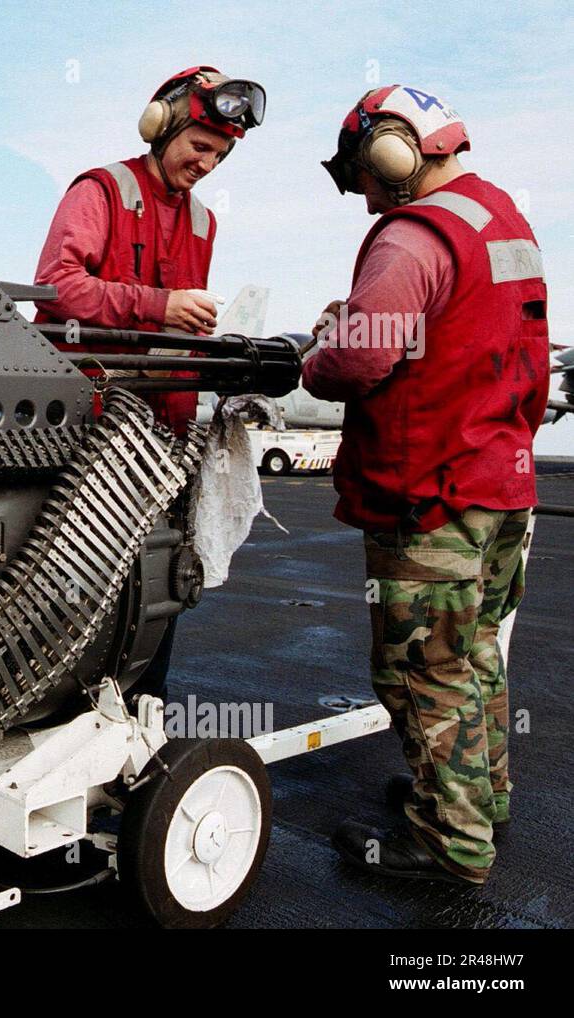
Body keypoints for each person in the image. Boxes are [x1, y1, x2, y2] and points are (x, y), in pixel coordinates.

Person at [304, 85, 549, 885]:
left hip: (432, 494)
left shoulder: (409, 237)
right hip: (502, 485)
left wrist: (320, 350)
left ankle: (450, 842)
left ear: (393, 153)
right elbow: (461, 332)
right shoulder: (500, 218)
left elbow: (358, 363)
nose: (364, 198)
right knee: (476, 654)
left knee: (421, 670)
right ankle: (480, 799)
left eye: (363, 178)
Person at [33, 65, 266, 435]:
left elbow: (184, 338)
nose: (207, 165)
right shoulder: (101, 191)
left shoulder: (203, 221)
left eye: (219, 155)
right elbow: (56, 286)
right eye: (200, 147)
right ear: (161, 129)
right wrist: (159, 304)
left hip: (164, 430)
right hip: (81, 422)